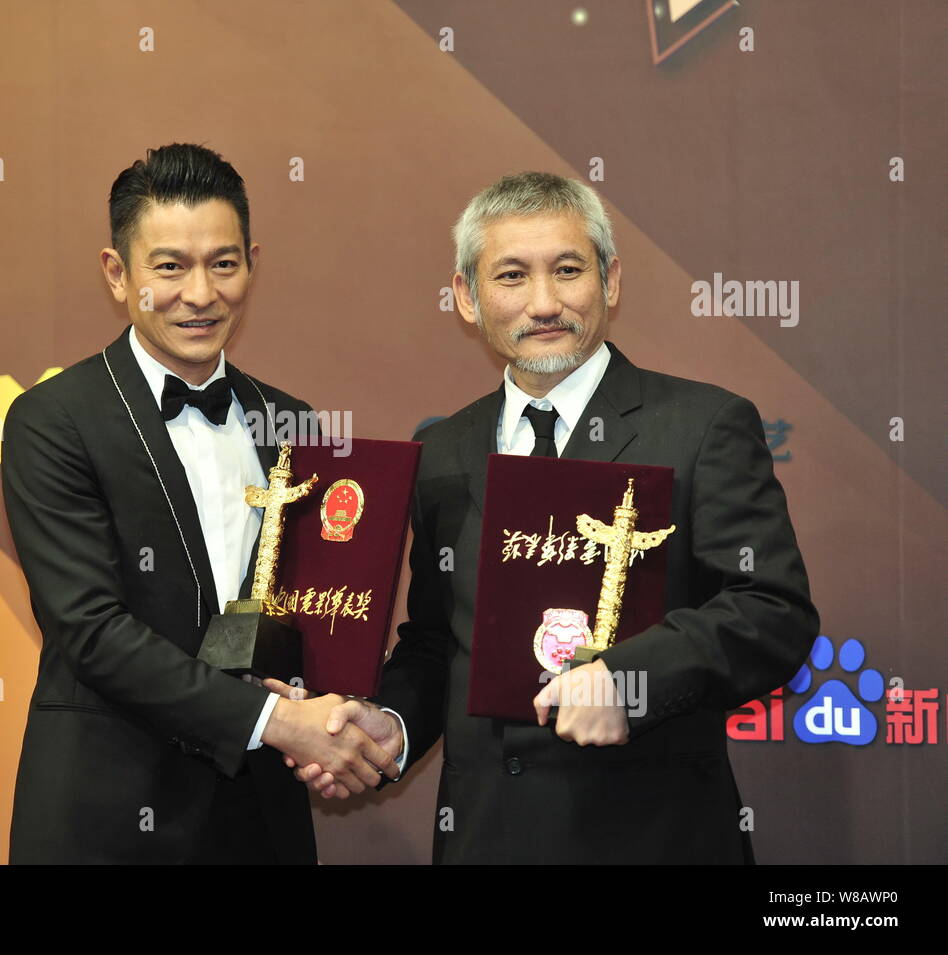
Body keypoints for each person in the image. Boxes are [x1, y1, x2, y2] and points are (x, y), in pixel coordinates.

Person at [283, 171, 817, 864]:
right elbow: (439, 640)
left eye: (568, 270)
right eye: (511, 275)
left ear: (611, 281)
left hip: (652, 837)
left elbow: (772, 611)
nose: (544, 302)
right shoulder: (444, 450)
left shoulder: (703, 425)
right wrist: (391, 722)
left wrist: (628, 679)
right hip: (485, 836)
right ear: (466, 297)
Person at [2, 143, 398, 865]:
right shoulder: (54, 419)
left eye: (223, 263)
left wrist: (333, 714)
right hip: (109, 812)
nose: (201, 293)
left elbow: (313, 612)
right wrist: (278, 721)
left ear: (252, 262)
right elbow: (91, 630)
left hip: (261, 818)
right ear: (118, 274)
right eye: (170, 266)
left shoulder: (292, 422)